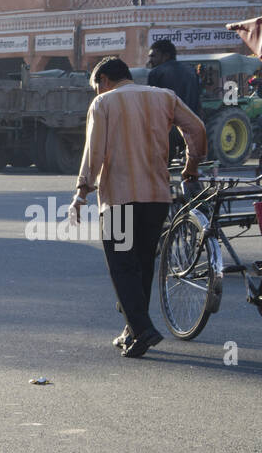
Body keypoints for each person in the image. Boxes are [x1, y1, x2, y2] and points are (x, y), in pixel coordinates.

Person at [71, 56, 206, 358]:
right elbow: (196, 129)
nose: (97, 91)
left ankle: (143, 330)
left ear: (104, 80)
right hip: (156, 198)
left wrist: (82, 191)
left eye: (96, 86)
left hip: (119, 201)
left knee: (122, 266)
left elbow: (95, 152)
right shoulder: (165, 97)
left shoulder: (103, 102)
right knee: (142, 264)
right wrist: (191, 166)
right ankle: (132, 331)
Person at [147, 39, 201, 162]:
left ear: (165, 56)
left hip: (167, 130)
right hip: (190, 127)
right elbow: (198, 102)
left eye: (153, 56)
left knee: (162, 167)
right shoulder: (191, 71)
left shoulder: (156, 73)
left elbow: (153, 105)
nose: (150, 60)